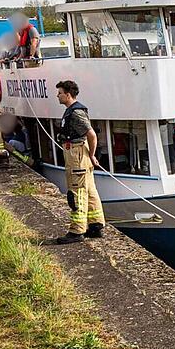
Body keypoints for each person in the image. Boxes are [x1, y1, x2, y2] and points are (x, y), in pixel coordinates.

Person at [53, 80, 105, 244]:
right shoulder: (74, 111)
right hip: (78, 152)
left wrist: (91, 155)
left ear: (68, 95)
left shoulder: (75, 113)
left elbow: (91, 135)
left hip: (77, 155)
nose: (58, 95)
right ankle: (96, 225)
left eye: (60, 93)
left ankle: (77, 231)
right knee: (89, 191)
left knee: (76, 193)